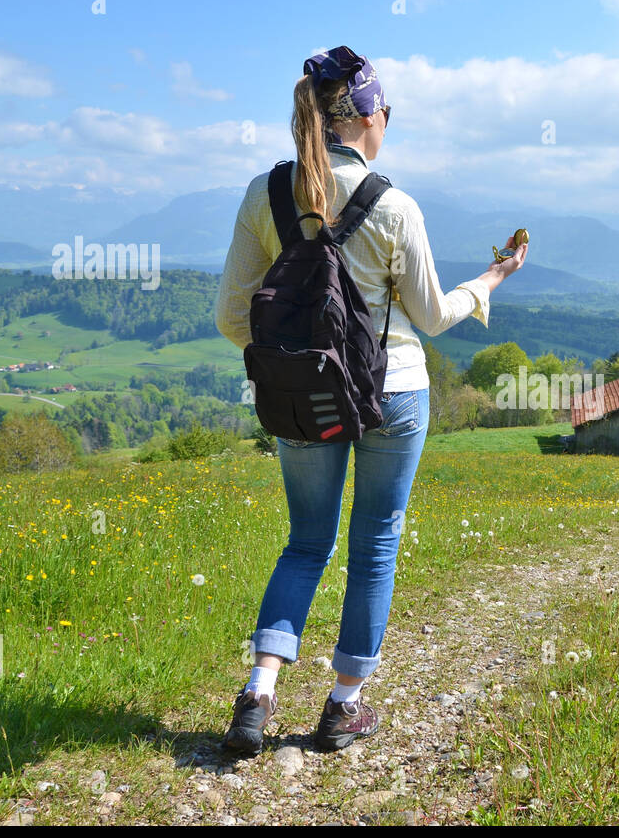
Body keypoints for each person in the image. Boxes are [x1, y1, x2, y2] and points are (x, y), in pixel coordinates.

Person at [213, 46, 527, 755]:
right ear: (366, 115)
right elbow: (433, 315)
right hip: (394, 395)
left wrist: (295, 359)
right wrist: (494, 278)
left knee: (304, 542)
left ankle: (257, 694)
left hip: (302, 400)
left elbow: (234, 318)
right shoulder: (394, 205)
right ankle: (343, 705)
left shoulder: (264, 194)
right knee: (374, 543)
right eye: (387, 111)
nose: (387, 122)